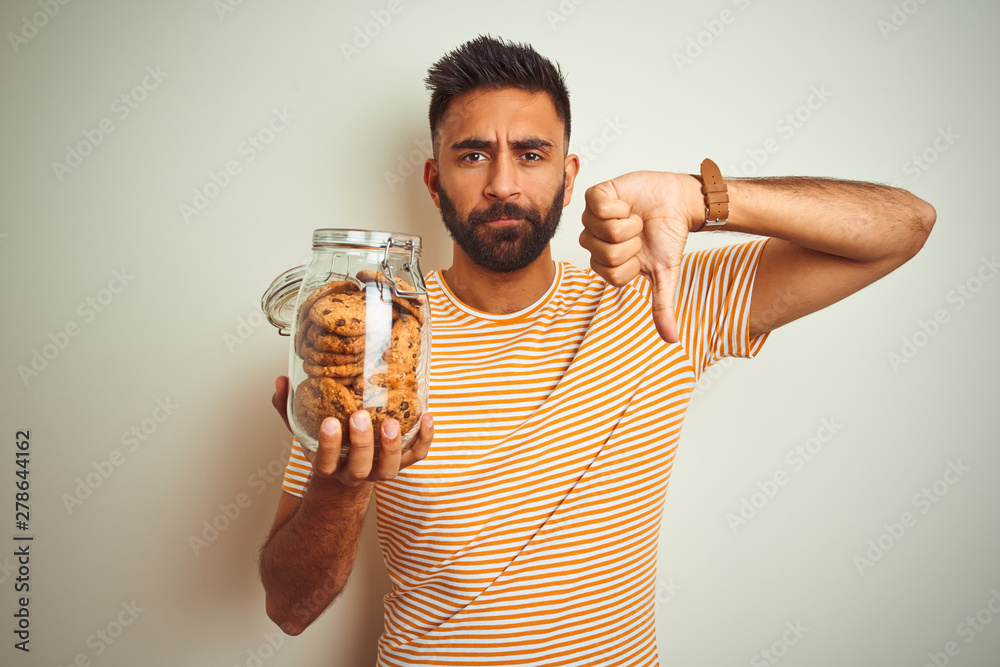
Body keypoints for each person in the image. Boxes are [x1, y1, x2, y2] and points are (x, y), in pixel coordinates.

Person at [258, 35, 935, 666]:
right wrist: (339, 489)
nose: (502, 183)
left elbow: (904, 226)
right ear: (435, 182)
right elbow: (290, 607)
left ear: (568, 171)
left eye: (531, 153)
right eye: (472, 155)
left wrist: (701, 198)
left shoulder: (662, 296)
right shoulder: (373, 333)